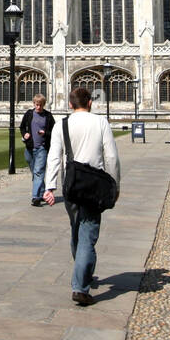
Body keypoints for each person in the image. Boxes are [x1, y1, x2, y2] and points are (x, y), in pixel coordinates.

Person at [44, 87, 120, 306]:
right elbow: (112, 157)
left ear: (70, 104)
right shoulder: (100, 122)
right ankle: (80, 287)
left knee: (77, 229)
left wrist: (50, 187)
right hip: (94, 185)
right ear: (90, 103)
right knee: (88, 234)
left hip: (71, 185)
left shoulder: (62, 124)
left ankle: (83, 271)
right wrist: (115, 185)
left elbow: (54, 156)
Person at [20, 94, 56, 206]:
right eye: (37, 104)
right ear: (34, 103)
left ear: (44, 104)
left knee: (38, 172)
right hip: (30, 148)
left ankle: (35, 197)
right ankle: (42, 192)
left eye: (40, 105)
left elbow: (54, 132)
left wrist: (45, 133)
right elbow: (22, 127)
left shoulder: (48, 116)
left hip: (42, 148)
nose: (38, 107)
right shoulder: (29, 114)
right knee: (35, 173)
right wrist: (24, 134)